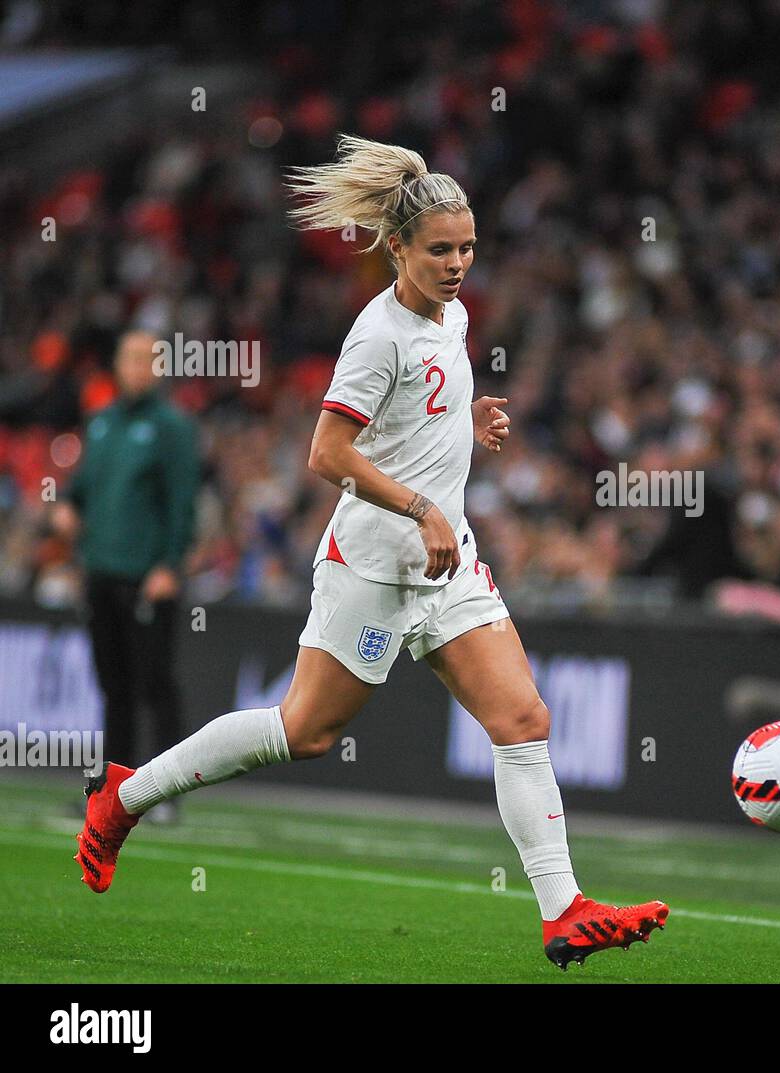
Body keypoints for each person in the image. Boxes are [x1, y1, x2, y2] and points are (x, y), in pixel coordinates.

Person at [73, 135, 669, 970]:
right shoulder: (377, 335)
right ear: (397, 248)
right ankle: (123, 796)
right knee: (305, 729)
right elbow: (327, 453)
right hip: (375, 568)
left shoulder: (452, 314)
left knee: (522, 719)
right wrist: (422, 503)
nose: (459, 263)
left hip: (447, 561)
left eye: (467, 246)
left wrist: (468, 422)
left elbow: (413, 421)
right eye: (440, 250)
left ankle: (562, 910)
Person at [53, 330, 200, 824]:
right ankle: (109, 796)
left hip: (146, 577)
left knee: (156, 684)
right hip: (101, 572)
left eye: (147, 359)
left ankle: (166, 794)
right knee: (113, 688)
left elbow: (183, 502)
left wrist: (170, 565)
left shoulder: (172, 427)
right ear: (117, 364)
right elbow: (84, 486)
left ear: (160, 366)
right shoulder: (102, 424)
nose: (138, 367)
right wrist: (69, 508)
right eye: (130, 358)